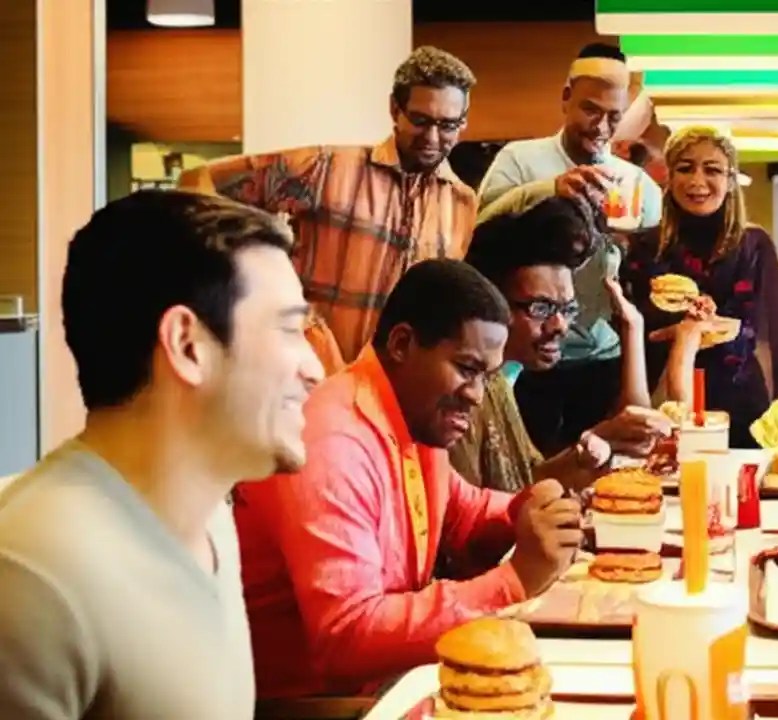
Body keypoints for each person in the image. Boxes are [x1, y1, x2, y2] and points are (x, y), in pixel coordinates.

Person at [0, 190, 323, 718]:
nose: (315, 367)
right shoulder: (35, 577)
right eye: (290, 329)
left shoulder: (213, 522)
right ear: (188, 346)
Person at [233, 260, 584, 700]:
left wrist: (533, 509)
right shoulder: (332, 441)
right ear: (402, 343)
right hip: (319, 709)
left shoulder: (412, 416)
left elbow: (464, 513)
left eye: (487, 377)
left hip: (392, 691)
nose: (477, 395)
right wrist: (513, 581)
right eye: (466, 368)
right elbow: (346, 637)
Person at [179, 46, 480, 374]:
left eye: (448, 125)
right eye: (420, 121)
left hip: (391, 394)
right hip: (307, 377)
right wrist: (256, 270)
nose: (433, 137)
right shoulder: (324, 168)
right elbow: (199, 181)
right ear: (395, 109)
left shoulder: (462, 204)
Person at [477, 42, 663, 455]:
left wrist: (634, 248)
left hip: (601, 356)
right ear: (565, 98)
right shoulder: (521, 160)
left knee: (604, 474)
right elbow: (475, 228)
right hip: (525, 359)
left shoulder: (636, 185)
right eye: (590, 110)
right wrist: (548, 190)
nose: (601, 126)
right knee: (528, 475)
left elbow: (662, 259)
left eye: (614, 116)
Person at [454, 196, 672, 491]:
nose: (560, 326)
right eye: (541, 309)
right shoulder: (459, 397)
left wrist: (597, 443)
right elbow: (479, 516)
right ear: (492, 303)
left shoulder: (501, 381)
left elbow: (528, 479)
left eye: (567, 309)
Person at [621, 125, 778, 448]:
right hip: (665, 402)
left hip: (742, 400)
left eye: (712, 169)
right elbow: (641, 332)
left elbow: (767, 335)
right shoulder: (646, 245)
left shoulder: (754, 245)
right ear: (669, 177)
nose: (697, 181)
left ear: (730, 180)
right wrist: (704, 328)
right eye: (685, 168)